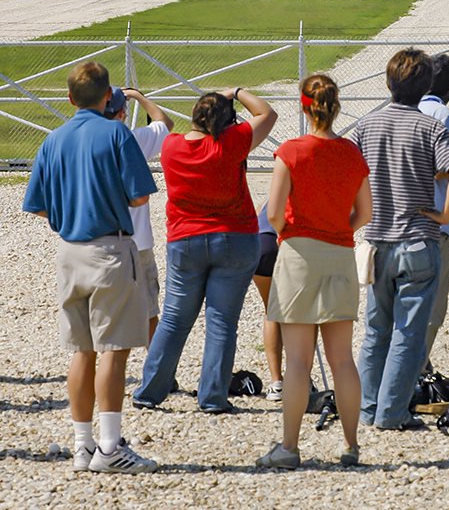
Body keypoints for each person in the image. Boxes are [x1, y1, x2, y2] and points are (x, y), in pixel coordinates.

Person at [22, 61, 159, 474]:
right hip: (110, 249)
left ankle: (82, 445)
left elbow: (38, 205)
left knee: (80, 351)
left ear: (69, 98)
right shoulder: (116, 133)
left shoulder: (53, 140)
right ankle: (110, 445)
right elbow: (139, 198)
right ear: (106, 98)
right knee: (113, 351)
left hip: (69, 251)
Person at [133, 86, 277, 414]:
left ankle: (150, 390)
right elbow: (267, 114)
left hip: (186, 239)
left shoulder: (172, 147)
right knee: (222, 321)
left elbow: (167, 129)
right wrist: (237, 92)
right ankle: (212, 397)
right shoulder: (231, 143)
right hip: (235, 238)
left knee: (174, 317)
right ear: (227, 123)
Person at [349, 48, 449, 431]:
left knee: (375, 331)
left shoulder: (367, 126)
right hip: (418, 238)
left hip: (378, 240)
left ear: (388, 83)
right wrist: (445, 214)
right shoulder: (430, 127)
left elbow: (347, 167)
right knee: (408, 333)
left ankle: (368, 409)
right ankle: (392, 412)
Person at [256, 74, 371, 470]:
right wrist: (339, 229)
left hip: (299, 253)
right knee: (342, 359)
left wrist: (293, 231)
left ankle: (289, 446)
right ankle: (352, 444)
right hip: (339, 252)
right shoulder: (351, 153)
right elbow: (366, 212)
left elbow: (273, 213)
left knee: (299, 362)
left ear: (304, 106)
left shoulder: (291, 151)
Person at [103, 86, 174, 343]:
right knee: (149, 312)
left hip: (99, 241)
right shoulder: (135, 139)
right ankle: (155, 372)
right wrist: (140, 96)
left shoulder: (82, 143)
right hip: (138, 241)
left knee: (107, 317)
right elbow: (165, 123)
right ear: (122, 112)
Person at [418, 53, 449, 368]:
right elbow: (441, 169)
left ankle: (413, 365)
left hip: (406, 219)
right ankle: (417, 367)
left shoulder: (410, 108)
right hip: (435, 220)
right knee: (433, 306)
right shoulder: (443, 113)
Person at [253, 200, 284, 401]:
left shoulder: (271, 196)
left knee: (271, 311)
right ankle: (302, 379)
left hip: (260, 245)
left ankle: (276, 382)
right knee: (298, 316)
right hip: (284, 244)